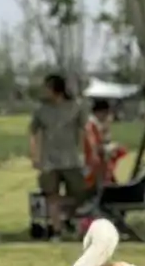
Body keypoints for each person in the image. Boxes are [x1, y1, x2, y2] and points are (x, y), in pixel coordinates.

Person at [29, 73, 89, 242]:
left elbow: (84, 132)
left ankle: (68, 219)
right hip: (49, 161)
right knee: (51, 196)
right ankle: (56, 231)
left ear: (57, 90)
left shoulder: (76, 107)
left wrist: (86, 154)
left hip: (72, 159)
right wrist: (35, 156)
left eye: (46, 88)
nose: (43, 91)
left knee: (79, 195)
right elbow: (33, 132)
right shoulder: (41, 110)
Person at [83, 98, 127, 191]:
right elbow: (95, 146)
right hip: (94, 164)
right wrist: (111, 147)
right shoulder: (91, 126)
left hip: (98, 163)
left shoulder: (97, 125)